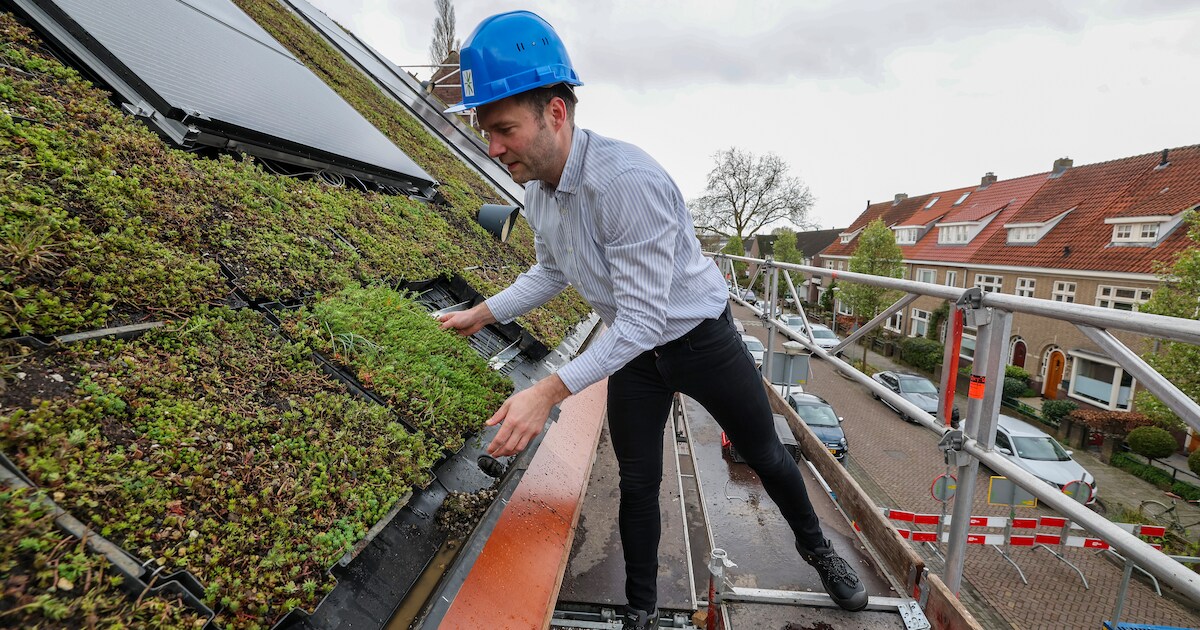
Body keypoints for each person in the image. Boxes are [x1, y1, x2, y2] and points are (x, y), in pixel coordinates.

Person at [437, 11, 868, 628]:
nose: (493, 148)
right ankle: (641, 611)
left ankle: (820, 552)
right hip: (637, 355)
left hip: (700, 340)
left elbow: (642, 319)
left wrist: (549, 392)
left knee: (766, 454)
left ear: (555, 112)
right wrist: (481, 313)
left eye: (503, 129)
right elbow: (551, 272)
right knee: (639, 485)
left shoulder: (625, 184)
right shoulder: (536, 189)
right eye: (488, 131)